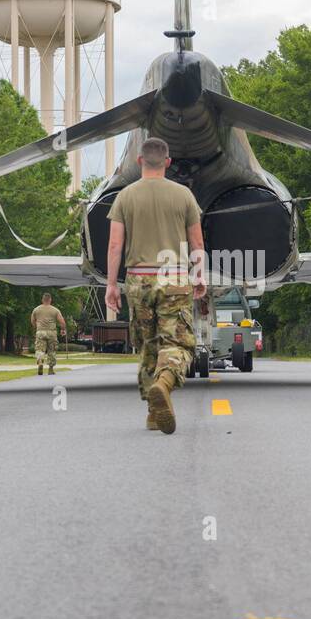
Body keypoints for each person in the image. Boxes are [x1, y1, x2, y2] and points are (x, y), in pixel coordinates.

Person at [105, 137, 206, 434]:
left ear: (139, 162)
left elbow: (114, 245)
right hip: (174, 276)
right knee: (177, 344)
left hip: (139, 278)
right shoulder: (184, 195)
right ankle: (163, 384)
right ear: (168, 162)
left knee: (148, 344)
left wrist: (112, 285)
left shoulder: (124, 196)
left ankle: (152, 413)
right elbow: (197, 243)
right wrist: (199, 276)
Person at [30, 292, 67, 375]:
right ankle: (51, 369)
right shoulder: (55, 310)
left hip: (40, 332)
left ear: (42, 300)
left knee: (39, 349)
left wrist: (36, 328)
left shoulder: (36, 309)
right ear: (50, 300)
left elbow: (32, 321)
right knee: (52, 351)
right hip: (51, 332)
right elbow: (62, 322)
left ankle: (40, 361)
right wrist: (63, 329)